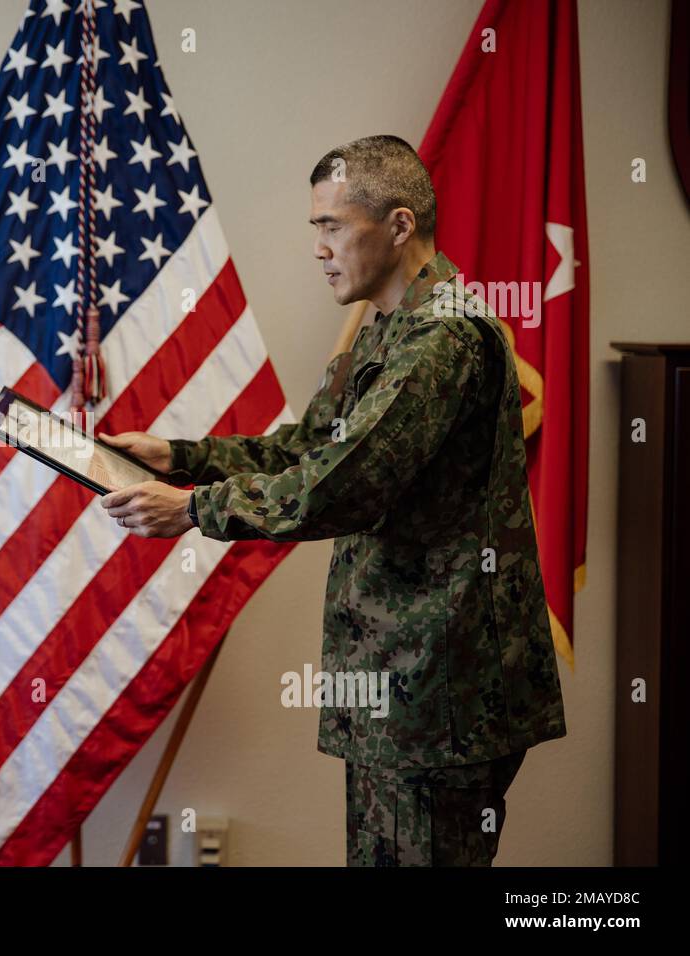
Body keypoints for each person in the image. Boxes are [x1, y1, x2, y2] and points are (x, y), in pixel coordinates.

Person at [98, 135, 566, 866]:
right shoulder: (392, 329)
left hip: (438, 695)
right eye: (316, 227)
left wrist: (194, 511)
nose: (318, 247)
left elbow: (343, 485)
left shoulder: (442, 339)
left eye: (332, 226)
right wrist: (180, 458)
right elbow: (306, 448)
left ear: (401, 225)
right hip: (398, 685)